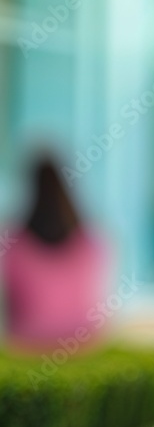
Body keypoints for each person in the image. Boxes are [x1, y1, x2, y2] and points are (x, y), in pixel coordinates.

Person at [0, 150, 111, 352]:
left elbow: (10, 302)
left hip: (28, 340)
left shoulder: (14, 243)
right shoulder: (91, 242)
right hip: (82, 340)